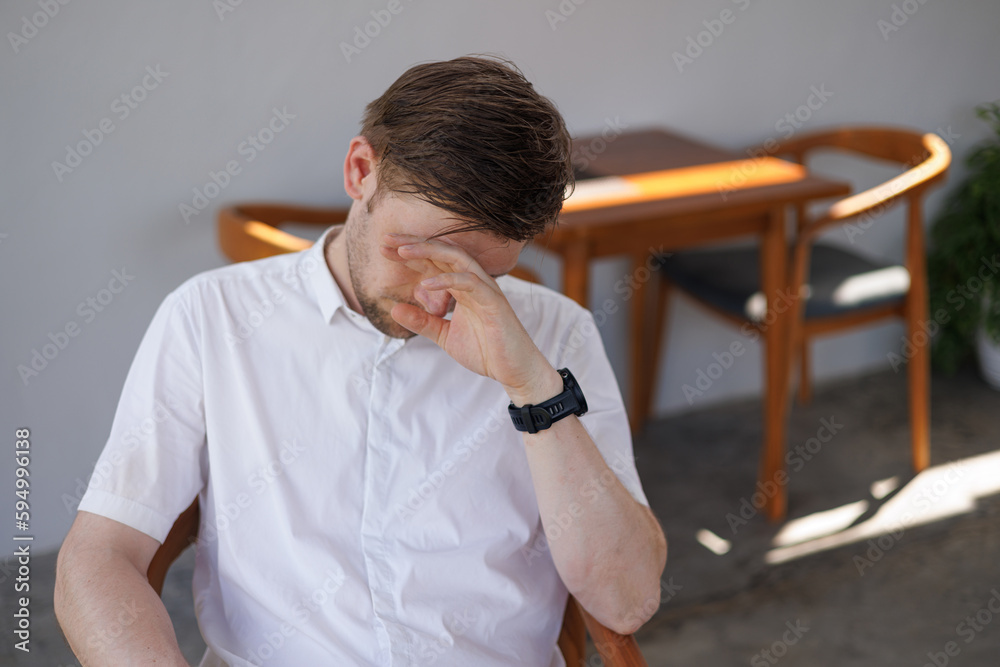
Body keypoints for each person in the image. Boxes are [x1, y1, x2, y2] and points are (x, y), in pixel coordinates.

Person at [54, 55, 667, 666]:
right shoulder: (211, 318)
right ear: (360, 172)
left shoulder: (557, 334)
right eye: (423, 256)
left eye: (485, 277)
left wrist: (534, 390)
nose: (439, 301)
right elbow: (101, 556)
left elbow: (626, 602)